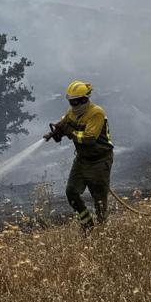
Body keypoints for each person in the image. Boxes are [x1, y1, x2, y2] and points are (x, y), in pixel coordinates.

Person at [44, 80, 114, 233]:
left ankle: (102, 234)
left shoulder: (96, 113)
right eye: (71, 102)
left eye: (75, 102)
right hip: (82, 160)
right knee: (71, 192)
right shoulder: (72, 113)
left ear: (84, 99)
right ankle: (87, 224)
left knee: (100, 201)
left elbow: (88, 139)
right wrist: (56, 132)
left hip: (100, 161)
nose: (73, 105)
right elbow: (64, 124)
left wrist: (69, 131)